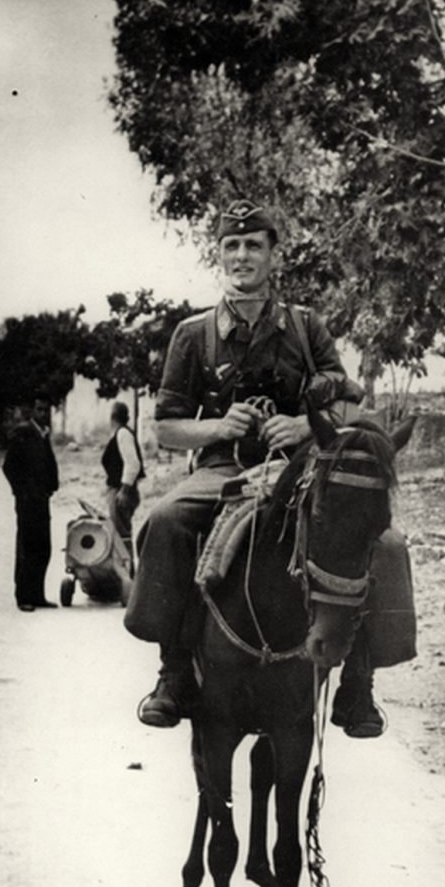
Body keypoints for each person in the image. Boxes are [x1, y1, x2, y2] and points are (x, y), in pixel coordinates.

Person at [124, 199, 387, 734]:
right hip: (224, 471)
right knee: (165, 522)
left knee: (381, 540)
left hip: (301, 470)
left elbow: (349, 403)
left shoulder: (305, 327)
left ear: (273, 256)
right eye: (231, 246)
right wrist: (220, 426)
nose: (242, 256)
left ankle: (358, 685)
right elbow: (167, 427)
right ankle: (174, 673)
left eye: (253, 245)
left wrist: (303, 426)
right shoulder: (193, 335)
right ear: (219, 255)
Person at [2, 392, 59, 612]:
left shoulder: (42, 434)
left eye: (46, 410)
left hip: (42, 500)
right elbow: (9, 467)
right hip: (28, 502)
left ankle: (38, 595)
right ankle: (24, 596)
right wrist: (21, 492)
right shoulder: (23, 433)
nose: (44, 413)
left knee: (43, 547)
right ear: (32, 411)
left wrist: (51, 487)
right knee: (27, 547)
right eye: (40, 409)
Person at [102, 400, 145, 570]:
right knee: (121, 534)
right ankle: (125, 573)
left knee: (122, 536)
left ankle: (127, 575)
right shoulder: (122, 433)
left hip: (122, 491)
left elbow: (133, 464)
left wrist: (124, 490)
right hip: (120, 489)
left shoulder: (122, 434)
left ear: (112, 417)